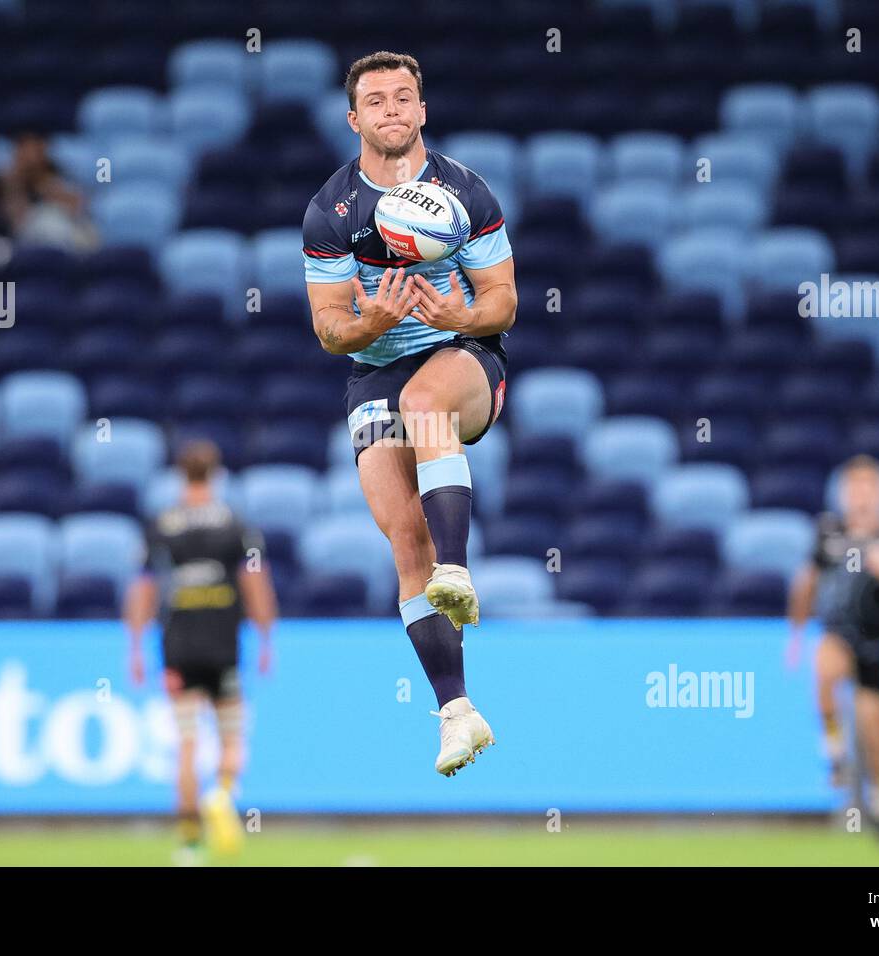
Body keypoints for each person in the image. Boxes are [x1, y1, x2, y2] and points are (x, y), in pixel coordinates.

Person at [302, 51, 516, 777]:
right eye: (376, 100)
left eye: (404, 98)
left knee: (425, 402)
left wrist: (464, 311)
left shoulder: (467, 192)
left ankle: (458, 566)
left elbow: (504, 301)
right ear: (355, 118)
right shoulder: (330, 211)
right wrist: (369, 324)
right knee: (401, 538)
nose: (392, 110)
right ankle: (458, 713)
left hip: (463, 355)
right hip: (374, 369)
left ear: (421, 111)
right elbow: (330, 328)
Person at [123, 441, 277, 865]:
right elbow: (255, 582)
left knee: (187, 742)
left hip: (178, 644)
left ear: (180, 474)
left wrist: (135, 646)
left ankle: (189, 843)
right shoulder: (235, 524)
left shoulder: (161, 524)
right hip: (223, 641)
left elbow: (142, 588)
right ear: (216, 473)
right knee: (233, 734)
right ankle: (222, 793)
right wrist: (266, 638)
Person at [786, 455, 879, 848]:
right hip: (839, 631)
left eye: (869, 488)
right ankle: (834, 753)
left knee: (876, 739)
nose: (861, 496)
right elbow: (808, 581)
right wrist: (796, 634)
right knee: (825, 668)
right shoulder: (830, 534)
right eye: (855, 488)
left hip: (877, 647)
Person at [0, 132, 97, 251]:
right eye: (24, 147)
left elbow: (79, 206)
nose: (29, 155)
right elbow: (17, 224)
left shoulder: (60, 175)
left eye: (35, 147)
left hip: (65, 240)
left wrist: (44, 186)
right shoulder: (11, 182)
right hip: (28, 246)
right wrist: (15, 184)